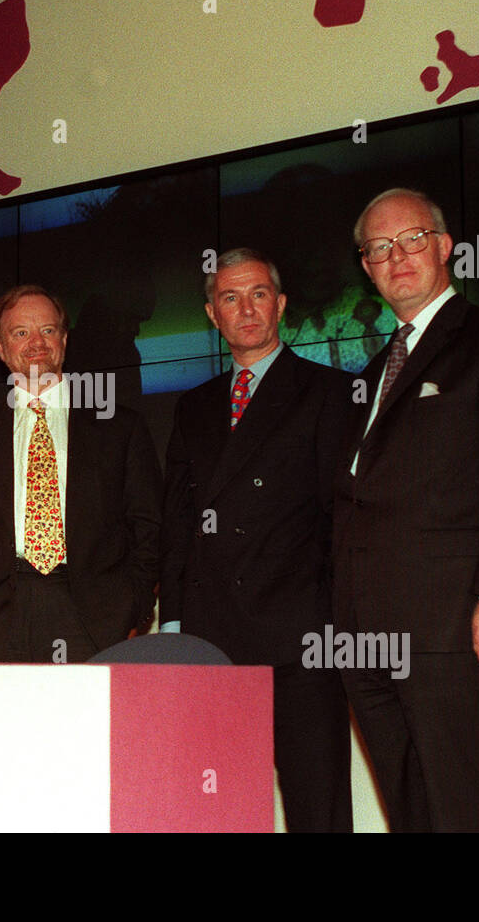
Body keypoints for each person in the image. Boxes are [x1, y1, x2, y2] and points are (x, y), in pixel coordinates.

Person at [335, 188, 479, 831]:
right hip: (366, 633)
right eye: (378, 248)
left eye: (411, 239)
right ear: (367, 266)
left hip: (453, 627)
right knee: (411, 813)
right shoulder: (375, 370)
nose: (396, 256)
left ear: (444, 247)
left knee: (469, 810)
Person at [161, 248, 354, 831]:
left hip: (303, 638)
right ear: (211, 314)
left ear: (282, 305)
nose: (246, 309)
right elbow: (177, 522)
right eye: (229, 298)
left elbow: (342, 522)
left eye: (259, 294)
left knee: (315, 803)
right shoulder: (193, 405)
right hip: (213, 636)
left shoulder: (332, 393)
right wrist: (173, 623)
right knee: (222, 806)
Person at [0, 285, 161, 662]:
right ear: (0, 347)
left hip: (93, 619)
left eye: (47, 329)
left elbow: (150, 530)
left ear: (64, 338)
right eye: (20, 332)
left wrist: (128, 607)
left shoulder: (119, 427)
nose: (36, 343)